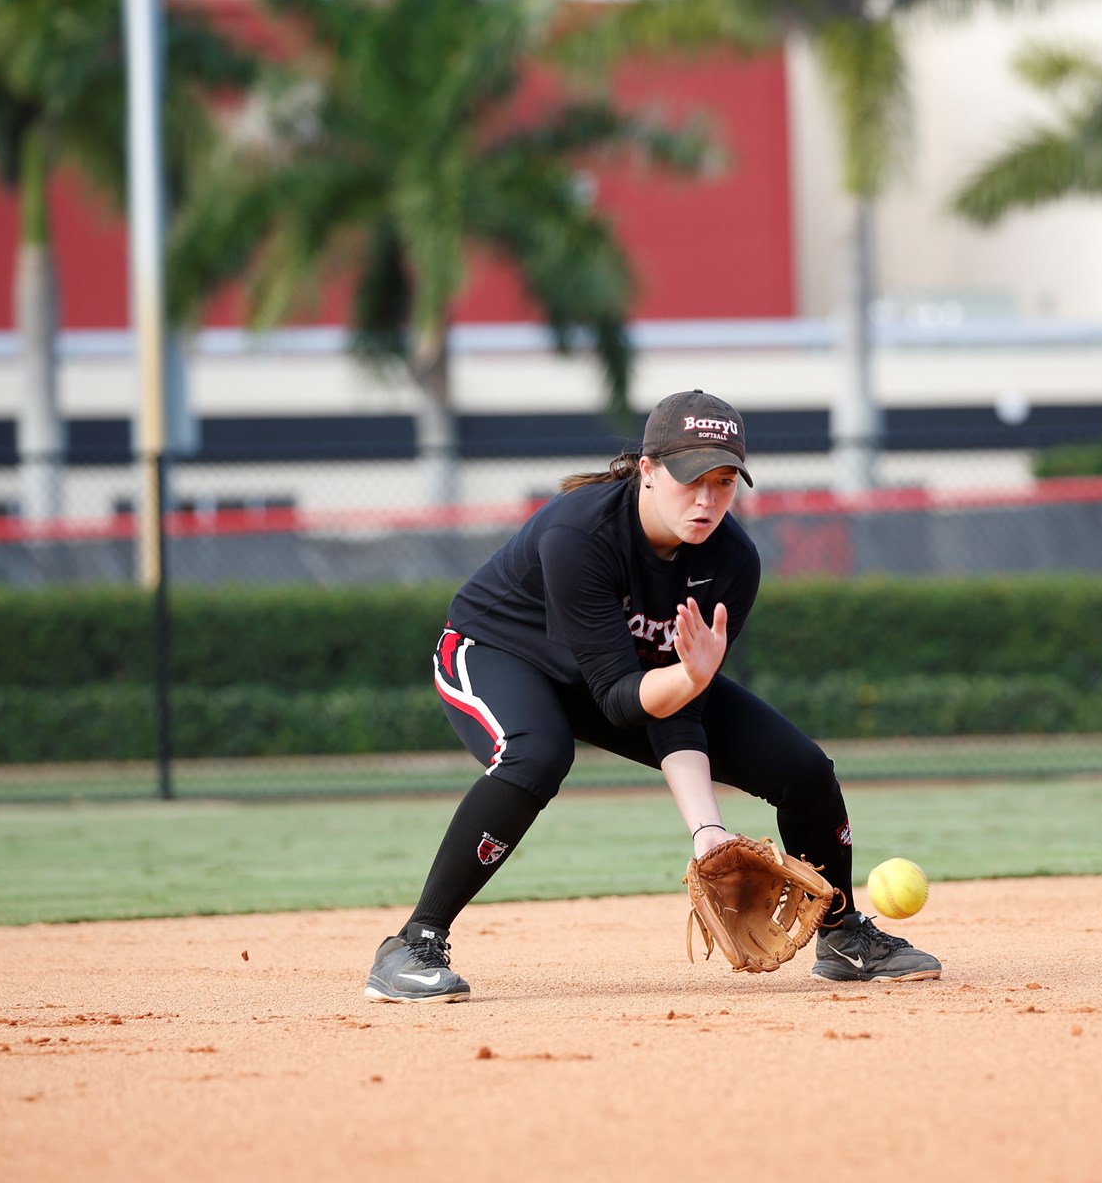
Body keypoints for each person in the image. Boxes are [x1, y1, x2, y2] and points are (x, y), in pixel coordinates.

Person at [366, 389, 941, 1003]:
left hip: (625, 678)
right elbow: (621, 700)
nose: (706, 499)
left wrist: (708, 832)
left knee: (803, 769)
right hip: (499, 653)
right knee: (537, 753)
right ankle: (413, 942)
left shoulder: (731, 560)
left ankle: (840, 934)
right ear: (646, 470)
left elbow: (675, 707)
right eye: (690, 478)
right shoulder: (579, 533)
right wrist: (689, 679)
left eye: (724, 481)